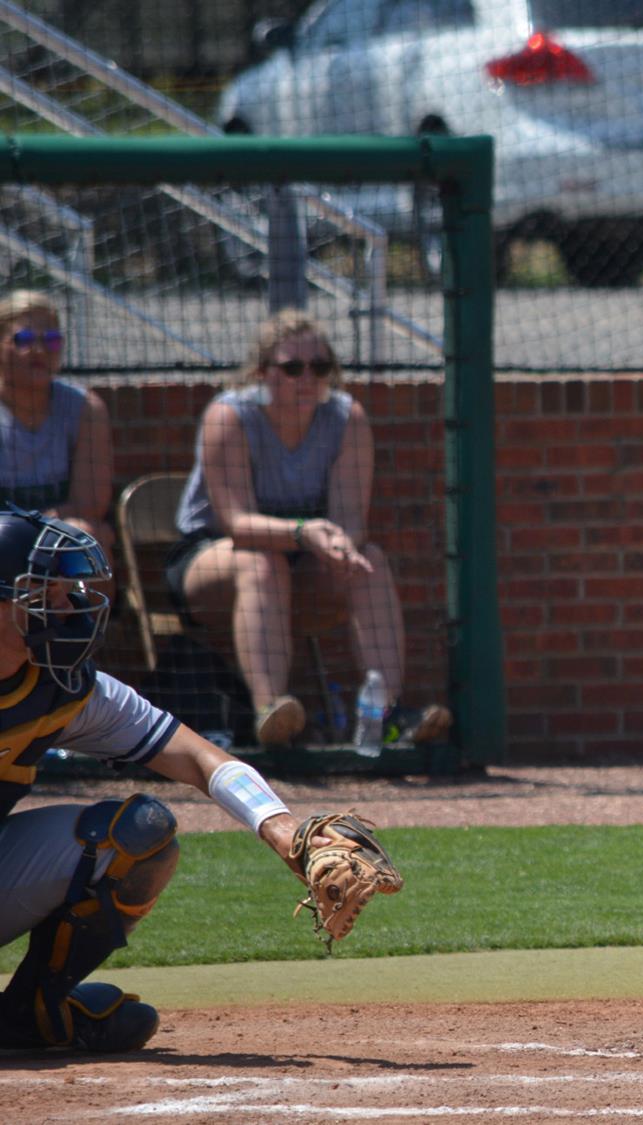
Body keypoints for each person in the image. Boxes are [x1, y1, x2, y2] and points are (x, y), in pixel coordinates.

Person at [0, 507, 372, 1052]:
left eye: (62, 590)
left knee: (138, 834)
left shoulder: (61, 687)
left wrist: (283, 829)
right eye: (42, 594)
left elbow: (200, 759)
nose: (67, 606)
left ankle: (29, 1016)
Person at [167, 309, 450, 748]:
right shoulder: (229, 415)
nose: (307, 378)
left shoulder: (345, 417)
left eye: (320, 368)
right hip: (215, 559)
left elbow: (351, 517)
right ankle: (270, 712)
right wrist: (305, 532)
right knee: (263, 562)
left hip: (307, 557)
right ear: (263, 372)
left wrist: (341, 545)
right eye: (292, 367)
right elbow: (236, 524)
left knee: (369, 561)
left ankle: (386, 714)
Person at [0, 291, 112, 545]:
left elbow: (89, 504)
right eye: (24, 339)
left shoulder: (85, 408)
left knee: (90, 536)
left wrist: (35, 530)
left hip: (56, 533)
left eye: (51, 339)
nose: (39, 350)